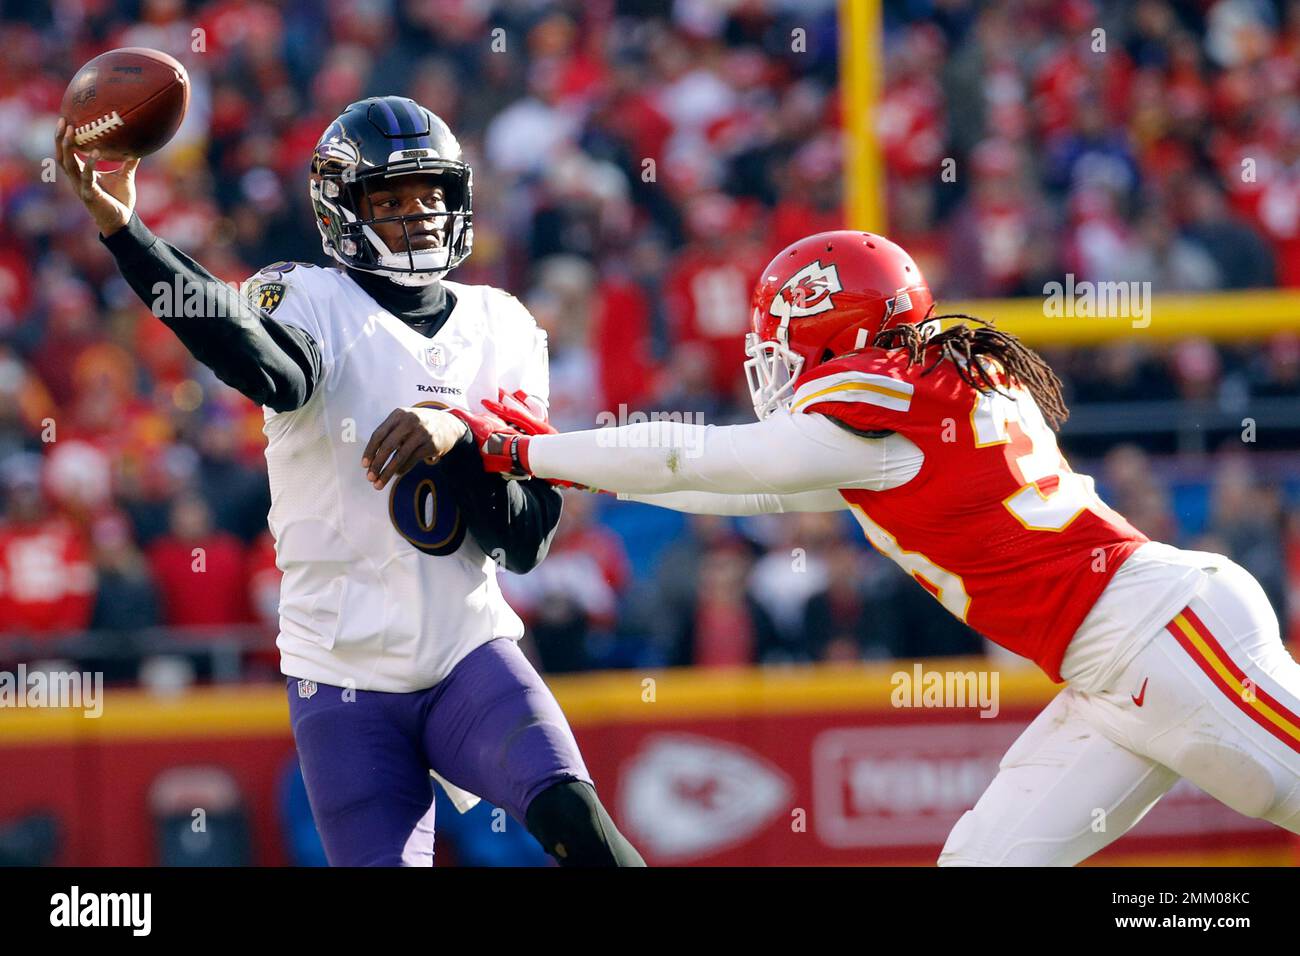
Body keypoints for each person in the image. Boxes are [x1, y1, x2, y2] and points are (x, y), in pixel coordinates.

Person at [454, 229, 1300, 865]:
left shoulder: (880, 416)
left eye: (785, 338)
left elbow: (698, 457)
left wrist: (526, 450)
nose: (774, 361)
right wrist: (572, 471)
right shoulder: (920, 403)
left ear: (837, 330)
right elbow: (730, 481)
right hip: (1109, 669)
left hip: (1165, 635)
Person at [56, 95, 642, 867]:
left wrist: (461, 441)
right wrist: (126, 234)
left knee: (578, 820)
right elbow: (262, 362)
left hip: (466, 649)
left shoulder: (502, 325)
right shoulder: (309, 297)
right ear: (342, 211)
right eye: (392, 199)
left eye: (432, 194)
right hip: (344, 678)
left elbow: (526, 539)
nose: (421, 214)